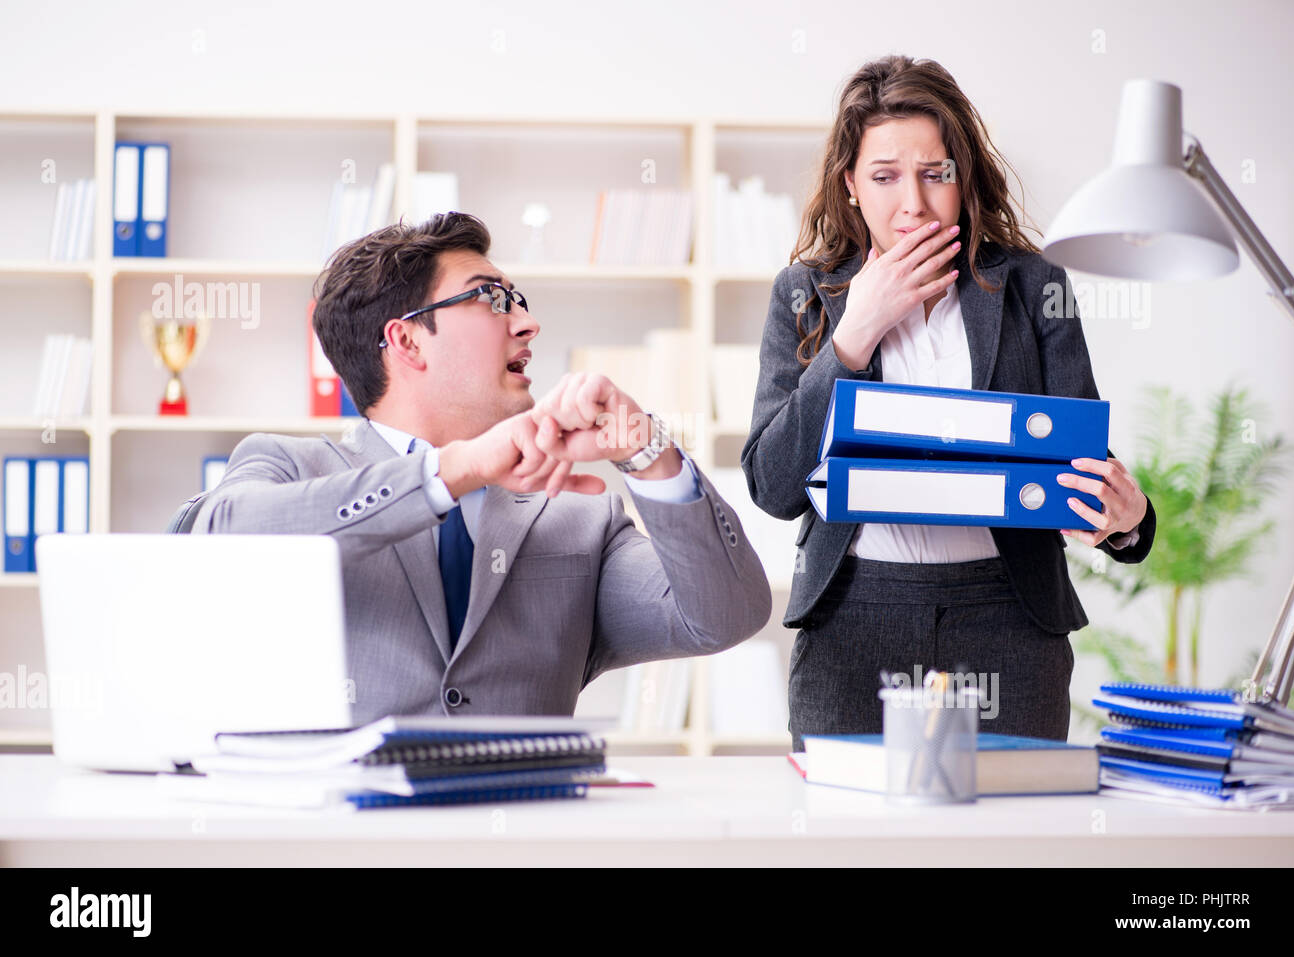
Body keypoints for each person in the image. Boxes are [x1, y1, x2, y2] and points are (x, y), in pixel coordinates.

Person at [195, 212, 771, 723]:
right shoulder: (292, 466)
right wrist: (457, 469)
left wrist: (647, 452)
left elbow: (725, 615)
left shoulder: (577, 512)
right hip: (342, 838)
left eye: (519, 302)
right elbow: (219, 540)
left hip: (519, 839)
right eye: (493, 299)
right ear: (408, 341)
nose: (526, 323)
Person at [741, 55, 1157, 750]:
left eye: (936, 173)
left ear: (964, 174)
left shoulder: (1032, 285)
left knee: (1009, 839)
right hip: (853, 615)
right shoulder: (804, 294)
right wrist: (854, 334)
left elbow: (1083, 462)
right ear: (849, 185)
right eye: (884, 176)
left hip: (1008, 617)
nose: (913, 203)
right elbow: (772, 484)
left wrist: (1127, 519)